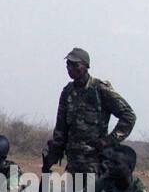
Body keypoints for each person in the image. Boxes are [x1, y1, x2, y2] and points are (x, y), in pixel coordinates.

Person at [43, 47, 137, 178]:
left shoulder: (100, 90)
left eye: (75, 65)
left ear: (86, 66)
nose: (70, 69)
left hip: (95, 164)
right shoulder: (67, 92)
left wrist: (108, 141)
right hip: (73, 163)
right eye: (68, 65)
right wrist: (54, 152)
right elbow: (61, 128)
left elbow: (129, 116)